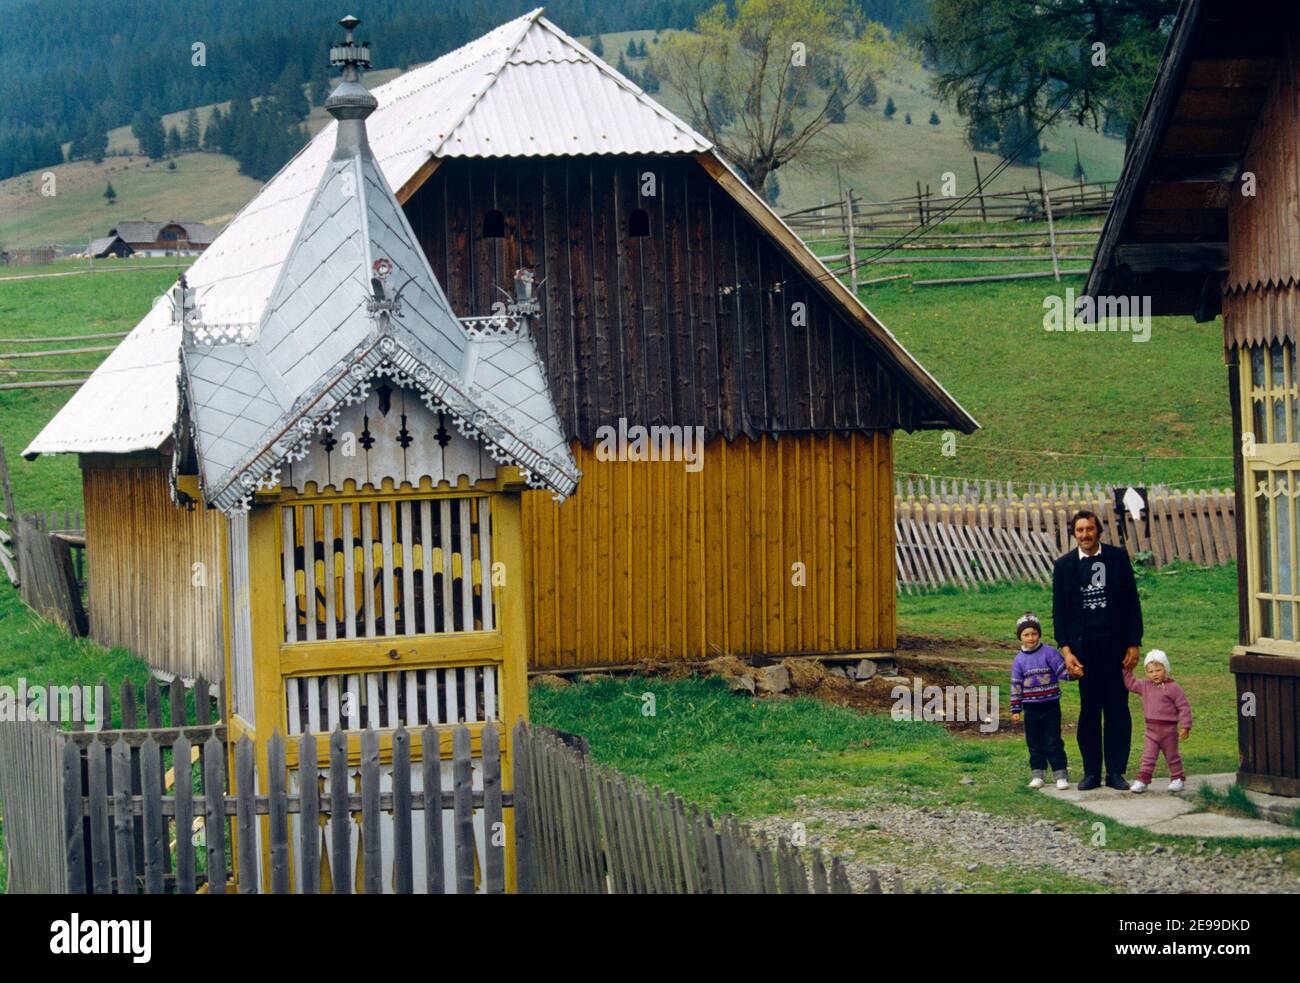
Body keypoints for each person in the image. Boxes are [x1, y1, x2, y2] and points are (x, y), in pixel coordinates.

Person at [1051, 510, 1143, 791]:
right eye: (1079, 531)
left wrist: (1134, 643)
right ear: (1074, 534)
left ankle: (1116, 772)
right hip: (1084, 650)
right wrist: (1067, 653)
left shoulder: (1116, 558)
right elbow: (1060, 613)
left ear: (1098, 531)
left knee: (1117, 709)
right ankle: (1091, 772)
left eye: (1089, 529)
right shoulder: (1065, 566)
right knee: (1089, 711)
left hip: (1115, 647)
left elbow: (1131, 603)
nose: (1085, 535)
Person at [1009, 611, 1070, 790]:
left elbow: (1062, 671)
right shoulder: (1019, 660)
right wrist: (1015, 708)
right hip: (1030, 708)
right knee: (1034, 742)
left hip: (1051, 705)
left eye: (1034, 633)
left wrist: (1073, 674)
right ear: (1020, 637)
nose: (1031, 638)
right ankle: (1038, 774)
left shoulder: (1049, 652)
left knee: (1053, 740)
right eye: (1026, 634)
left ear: (1039, 634)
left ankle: (1060, 774)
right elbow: (1016, 685)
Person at [1123, 649, 1192, 793]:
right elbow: (1130, 684)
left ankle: (1177, 778)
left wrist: (1185, 726)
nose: (1154, 674)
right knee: (1148, 757)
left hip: (1169, 730)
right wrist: (1127, 670)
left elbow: (1183, 707)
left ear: (1165, 669)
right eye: (1150, 671)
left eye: (1158, 670)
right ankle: (1143, 780)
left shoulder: (1173, 688)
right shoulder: (1145, 686)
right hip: (1151, 731)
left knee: (1172, 756)